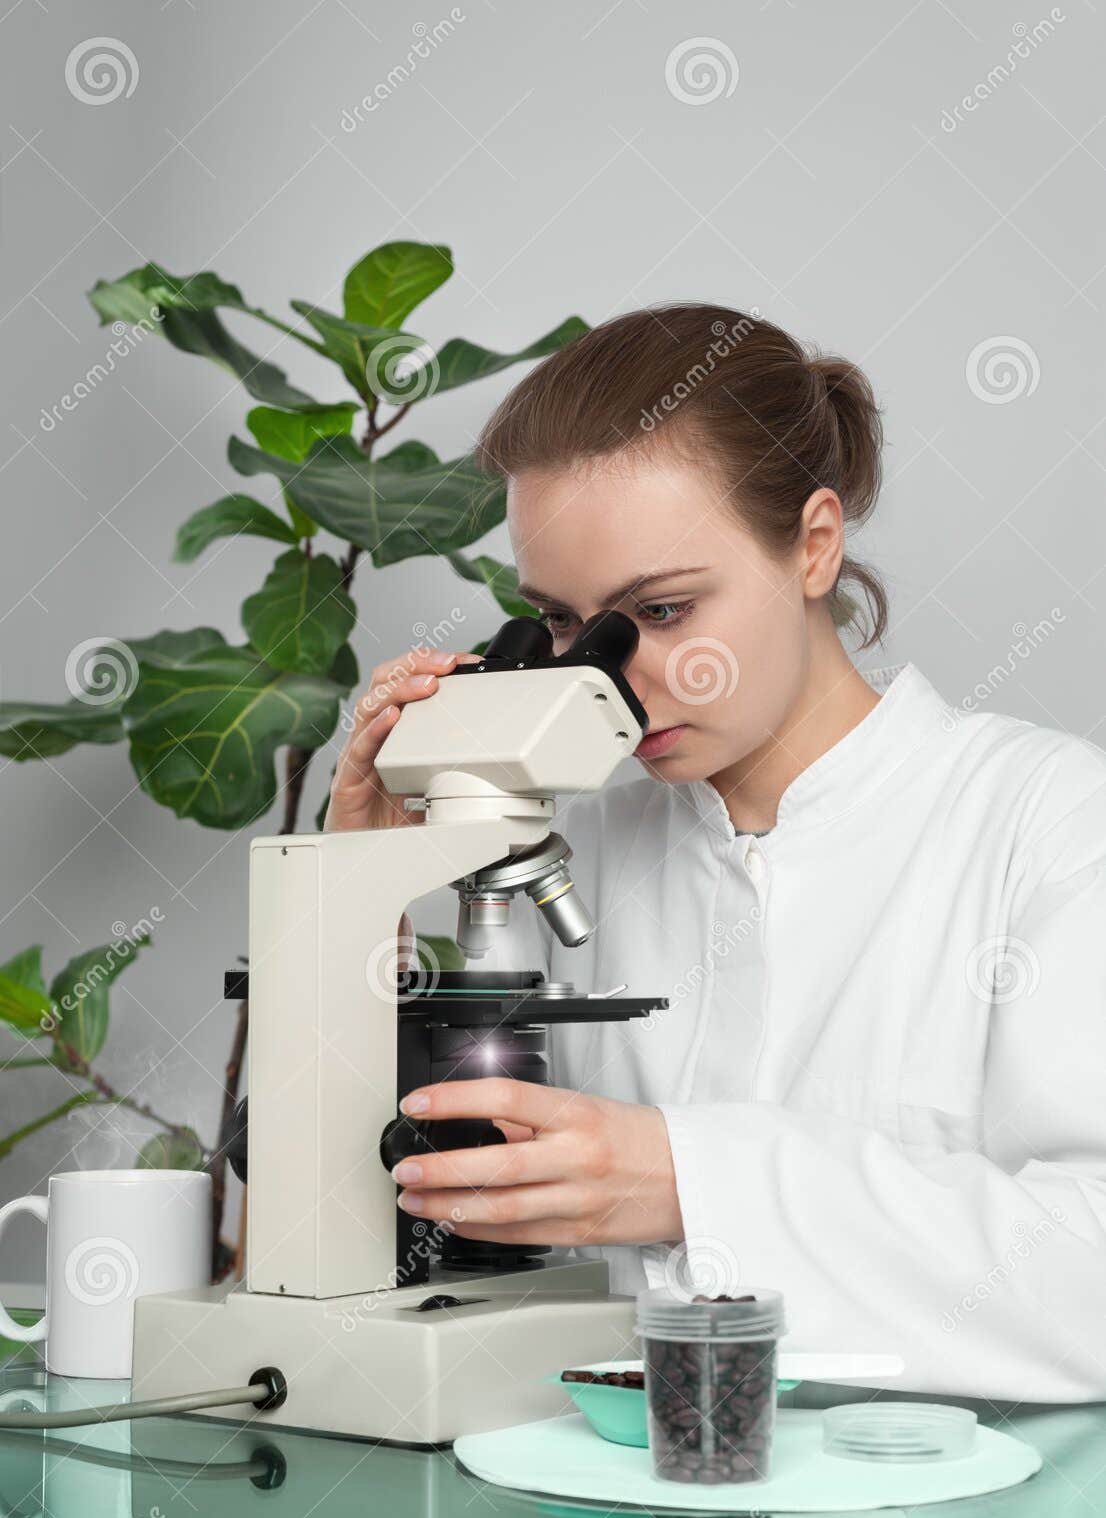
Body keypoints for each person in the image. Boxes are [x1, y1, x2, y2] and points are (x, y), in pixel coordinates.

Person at [324, 304, 1106, 1403]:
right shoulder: (557, 845)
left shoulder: (1047, 821)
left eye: (662, 609)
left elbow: (1089, 1269)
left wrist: (688, 1182)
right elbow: (389, 1233)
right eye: (558, 624)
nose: (606, 674)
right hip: (591, 1514)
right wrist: (357, 903)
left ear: (813, 545)